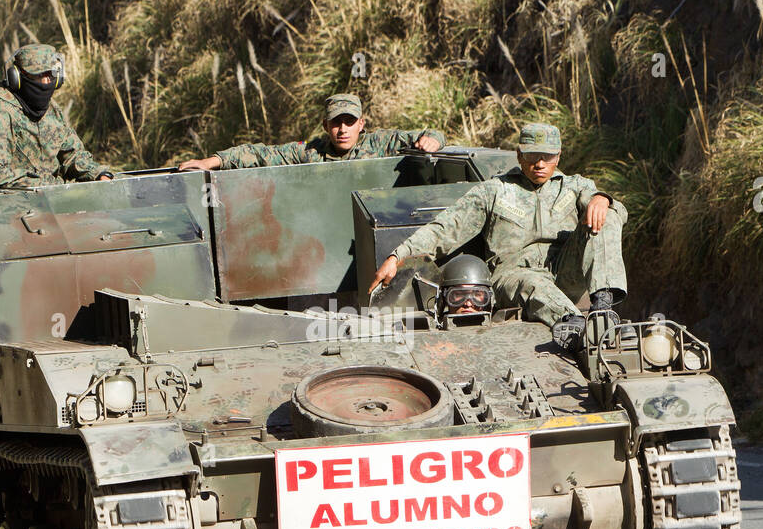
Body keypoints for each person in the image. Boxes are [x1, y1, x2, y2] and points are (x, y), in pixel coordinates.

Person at [368, 122, 627, 353]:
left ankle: (603, 307)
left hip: (564, 272)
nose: (539, 164)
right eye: (531, 156)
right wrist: (398, 255)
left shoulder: (575, 186)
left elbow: (617, 214)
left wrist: (601, 199)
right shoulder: (495, 191)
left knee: (608, 213)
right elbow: (446, 228)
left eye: (546, 157)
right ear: (519, 155)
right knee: (532, 283)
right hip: (513, 278)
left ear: (558, 156)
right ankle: (577, 326)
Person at [0, 43, 113, 189]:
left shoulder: (52, 111)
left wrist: (96, 173)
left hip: (53, 201)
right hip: (15, 206)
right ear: (16, 77)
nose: (45, 82)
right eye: (38, 76)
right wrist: (44, 184)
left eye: (50, 75)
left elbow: (72, 155)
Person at [178, 93, 443, 170]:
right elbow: (260, 154)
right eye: (336, 123)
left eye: (349, 122)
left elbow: (432, 133)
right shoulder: (310, 151)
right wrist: (212, 161)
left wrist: (432, 140)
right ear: (326, 126)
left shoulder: (380, 143)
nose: (342, 130)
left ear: (361, 124)